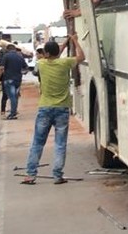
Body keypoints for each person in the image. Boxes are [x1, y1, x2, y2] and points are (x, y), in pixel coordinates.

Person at [21, 34, 85, 185]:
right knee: (60, 143)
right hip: (62, 109)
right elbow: (81, 56)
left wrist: (62, 45)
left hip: (45, 108)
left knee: (37, 143)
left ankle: (30, 175)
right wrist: (74, 40)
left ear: (46, 54)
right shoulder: (65, 63)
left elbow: (53, 55)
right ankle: (57, 175)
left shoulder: (41, 64)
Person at [0, 43, 27, 119]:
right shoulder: (20, 56)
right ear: (14, 49)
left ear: (7, 49)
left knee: (12, 96)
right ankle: (14, 111)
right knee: (15, 96)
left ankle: (12, 114)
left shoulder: (6, 56)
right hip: (18, 80)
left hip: (8, 79)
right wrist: (20, 72)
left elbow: (1, 68)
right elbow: (26, 68)